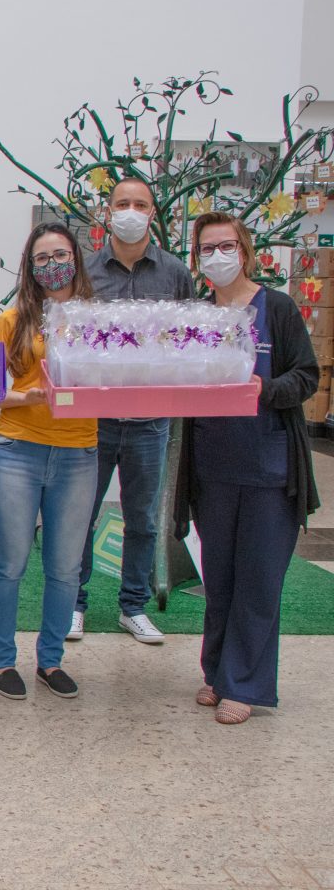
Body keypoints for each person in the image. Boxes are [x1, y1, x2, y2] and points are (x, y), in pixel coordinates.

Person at [173, 211, 318, 724]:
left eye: (226, 245)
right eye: (207, 248)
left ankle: (246, 685)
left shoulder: (275, 309)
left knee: (258, 581)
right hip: (213, 467)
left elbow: (306, 375)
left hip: (269, 469)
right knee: (221, 578)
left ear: (245, 250)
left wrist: (267, 390)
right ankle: (216, 673)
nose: (217, 256)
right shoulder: (198, 314)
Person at [0, 223, 97, 701]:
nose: (52, 264)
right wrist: (28, 397)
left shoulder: (99, 322)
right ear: (30, 268)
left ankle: (51, 660)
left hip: (80, 452)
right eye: (41, 258)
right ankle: (2, 661)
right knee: (10, 561)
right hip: (17, 450)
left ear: (76, 258)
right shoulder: (13, 321)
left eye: (60, 254)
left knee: (65, 568)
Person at [76, 177, 194, 644]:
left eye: (139, 204)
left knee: (143, 517)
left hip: (150, 421)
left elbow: (189, 335)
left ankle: (133, 606)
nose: (130, 211)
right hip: (95, 419)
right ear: (108, 212)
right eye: (121, 203)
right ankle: (75, 604)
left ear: (151, 212)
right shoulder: (85, 271)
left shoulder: (174, 273)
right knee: (80, 514)